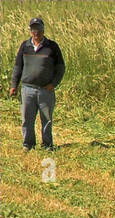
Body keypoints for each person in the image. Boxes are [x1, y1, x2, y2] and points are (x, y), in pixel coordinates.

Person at [9, 16, 64, 151]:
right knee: (27, 119)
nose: (36, 32)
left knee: (46, 119)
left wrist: (54, 84)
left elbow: (61, 68)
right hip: (27, 89)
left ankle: (47, 145)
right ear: (30, 31)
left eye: (39, 29)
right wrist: (13, 85)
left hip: (46, 90)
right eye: (34, 29)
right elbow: (18, 67)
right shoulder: (25, 46)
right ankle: (28, 144)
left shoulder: (52, 46)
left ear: (43, 29)